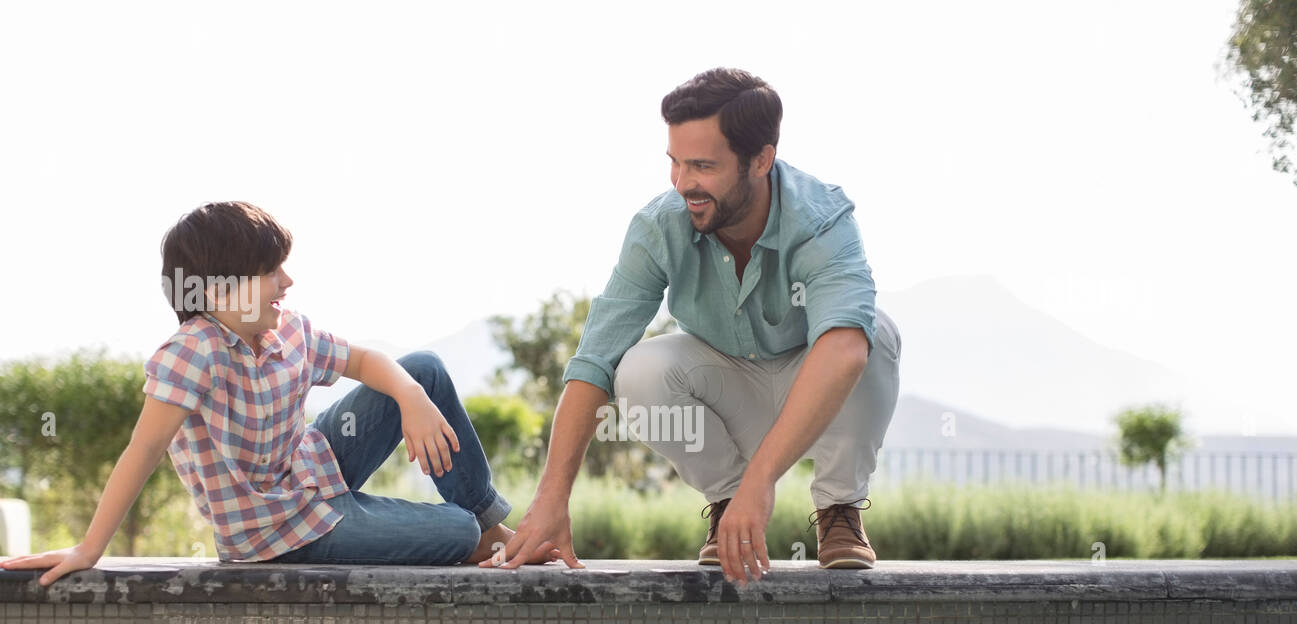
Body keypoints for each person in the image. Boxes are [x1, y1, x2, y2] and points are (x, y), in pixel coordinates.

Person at [484, 68, 902, 586]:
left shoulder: (822, 218)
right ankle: (727, 505)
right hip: (729, 394)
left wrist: (763, 481)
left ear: (761, 160)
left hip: (819, 395)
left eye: (702, 166)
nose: (683, 184)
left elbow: (842, 352)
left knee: (871, 332)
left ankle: (839, 508)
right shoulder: (659, 226)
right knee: (636, 369)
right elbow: (594, 359)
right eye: (675, 163)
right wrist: (551, 499)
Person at [1, 201, 559, 586]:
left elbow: (365, 360)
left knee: (422, 369)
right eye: (272, 271)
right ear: (223, 287)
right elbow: (141, 453)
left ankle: (491, 523)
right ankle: (474, 532)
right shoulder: (191, 353)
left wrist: (410, 397)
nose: (286, 283)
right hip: (276, 533)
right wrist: (88, 549)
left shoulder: (286, 329)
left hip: (316, 473)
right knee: (453, 530)